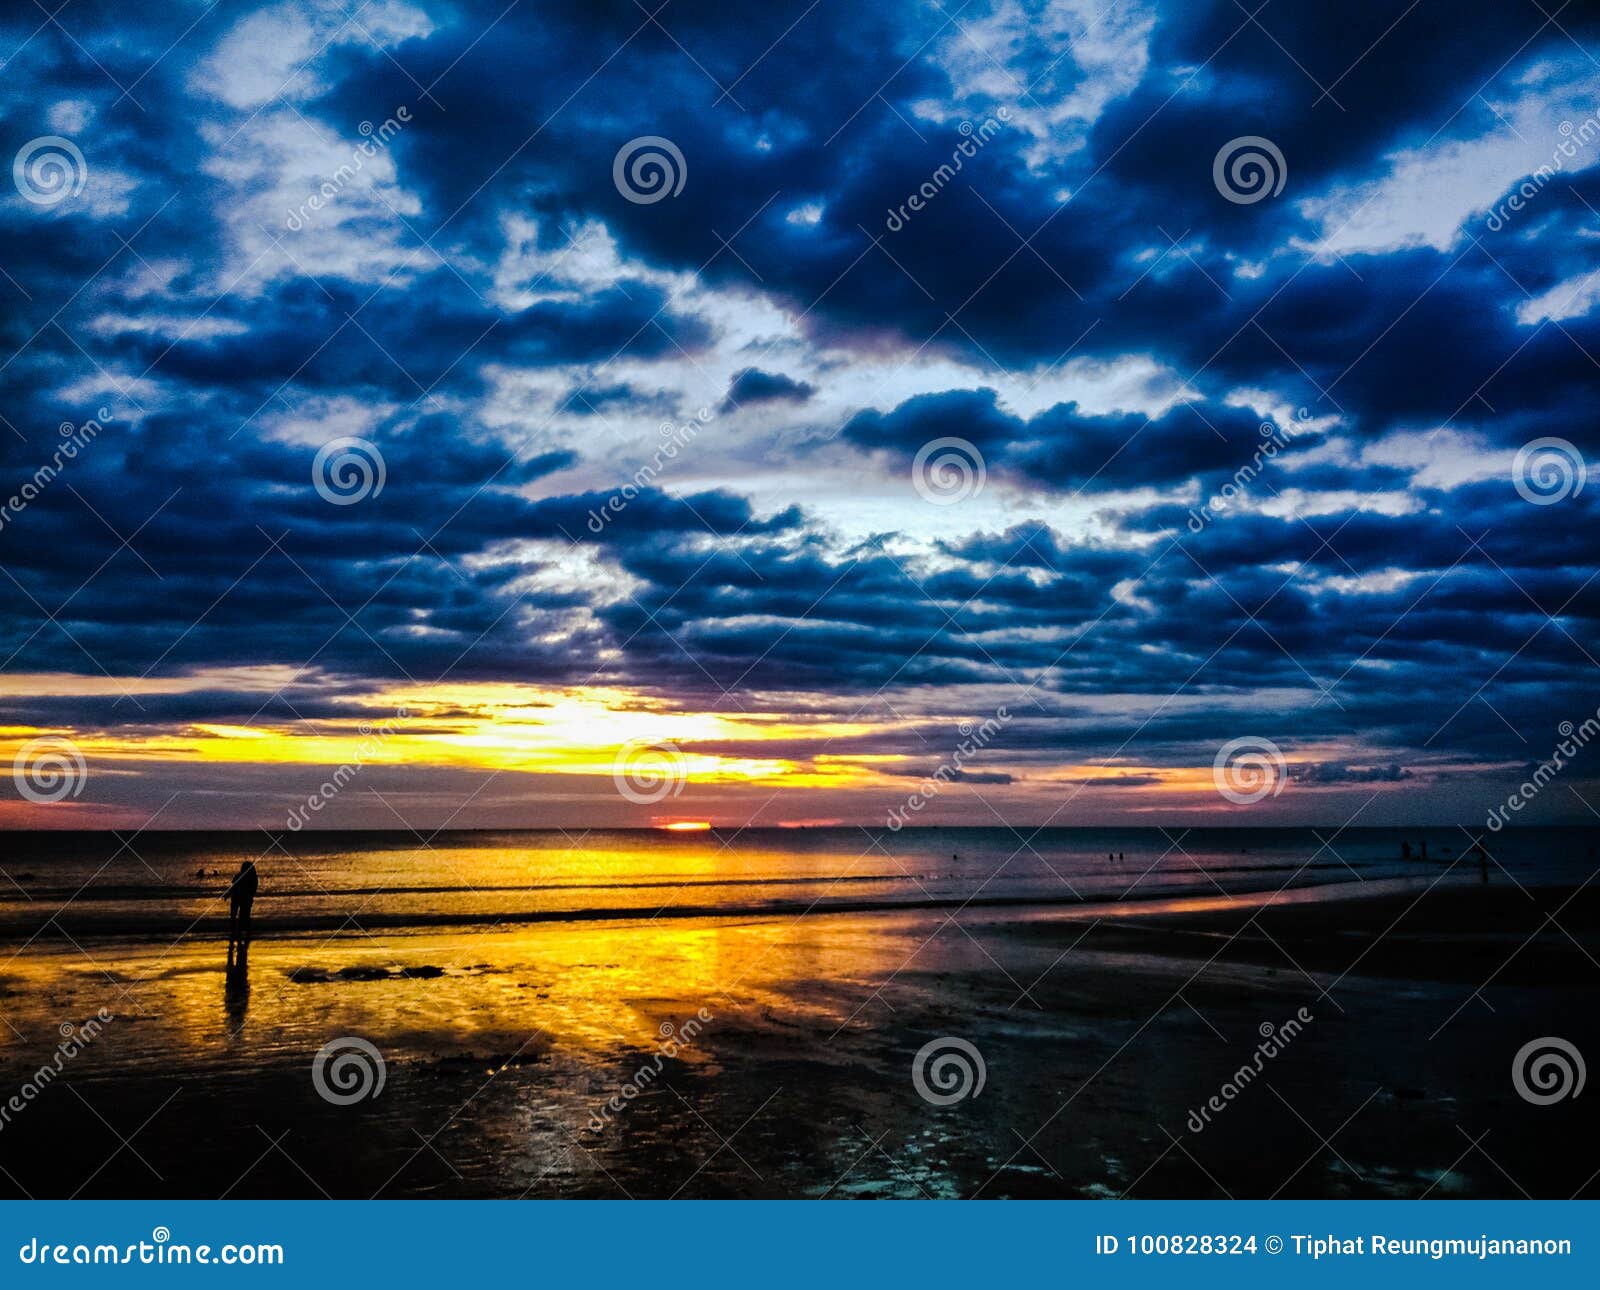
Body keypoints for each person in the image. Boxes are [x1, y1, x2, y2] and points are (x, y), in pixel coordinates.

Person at [228, 861, 259, 948]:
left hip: (243, 899)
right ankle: (237, 932)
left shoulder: (251, 877)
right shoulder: (245, 876)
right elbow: (233, 886)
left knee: (242, 916)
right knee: (238, 916)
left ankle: (240, 932)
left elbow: (253, 889)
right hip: (238, 898)